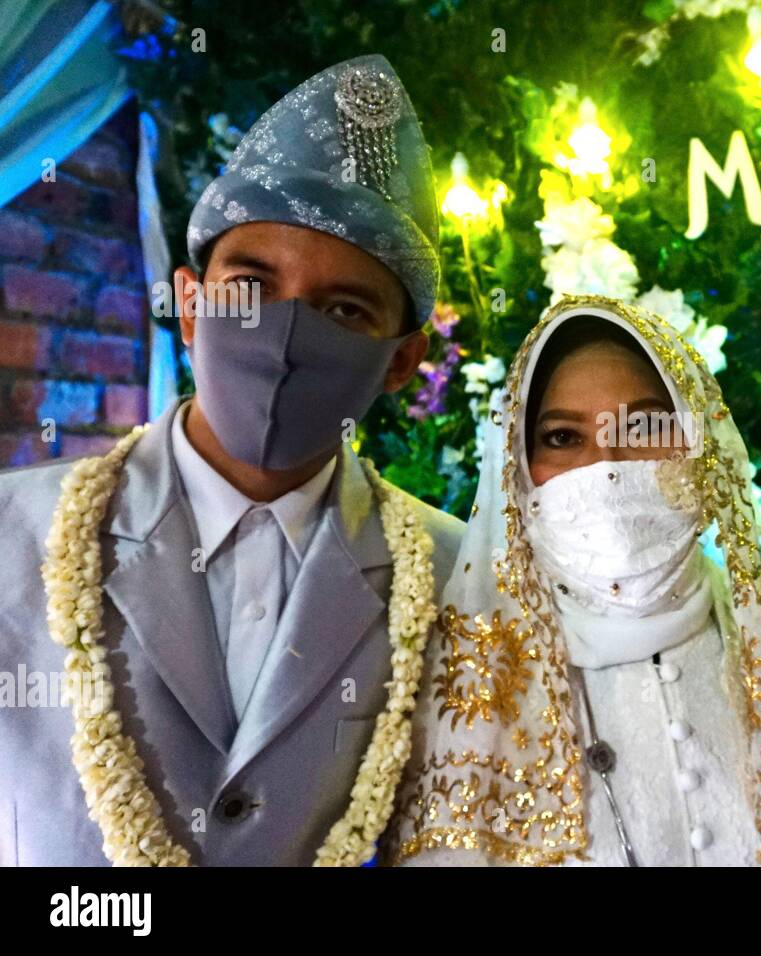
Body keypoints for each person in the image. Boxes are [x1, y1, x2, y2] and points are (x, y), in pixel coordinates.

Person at [0, 54, 463, 866]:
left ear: (401, 361)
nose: (284, 337)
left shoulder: (459, 574)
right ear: (188, 304)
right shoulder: (12, 534)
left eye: (344, 310)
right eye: (250, 286)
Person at [384, 294, 761, 866]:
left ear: (700, 446)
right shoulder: (470, 665)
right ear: (519, 469)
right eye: (562, 437)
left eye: (644, 426)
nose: (606, 463)